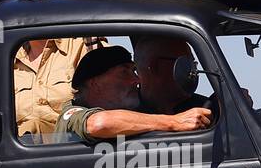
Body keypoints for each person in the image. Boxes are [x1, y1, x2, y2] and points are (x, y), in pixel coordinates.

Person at [54, 45, 212, 143]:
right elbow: (99, 124)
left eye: (134, 71)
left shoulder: (135, 110)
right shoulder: (73, 113)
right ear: (94, 83)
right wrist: (174, 122)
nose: (136, 79)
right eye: (124, 73)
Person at [14, 35, 106, 135]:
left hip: (73, 141)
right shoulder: (7, 57)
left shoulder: (82, 45)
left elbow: (110, 84)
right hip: (21, 145)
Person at [131, 35, 211, 115]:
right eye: (184, 63)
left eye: (193, 63)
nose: (193, 70)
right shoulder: (127, 112)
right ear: (155, 67)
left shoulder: (206, 108)